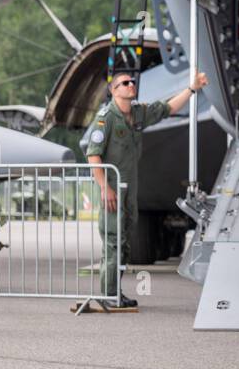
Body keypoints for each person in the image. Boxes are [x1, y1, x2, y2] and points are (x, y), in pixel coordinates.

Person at [85, 70, 208, 306]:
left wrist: (192, 89)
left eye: (132, 81)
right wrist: (104, 188)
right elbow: (93, 156)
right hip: (112, 190)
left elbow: (167, 108)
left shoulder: (138, 113)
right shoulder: (106, 118)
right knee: (113, 241)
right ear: (113, 90)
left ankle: (115, 293)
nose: (131, 85)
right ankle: (108, 295)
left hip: (129, 189)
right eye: (125, 83)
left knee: (124, 243)